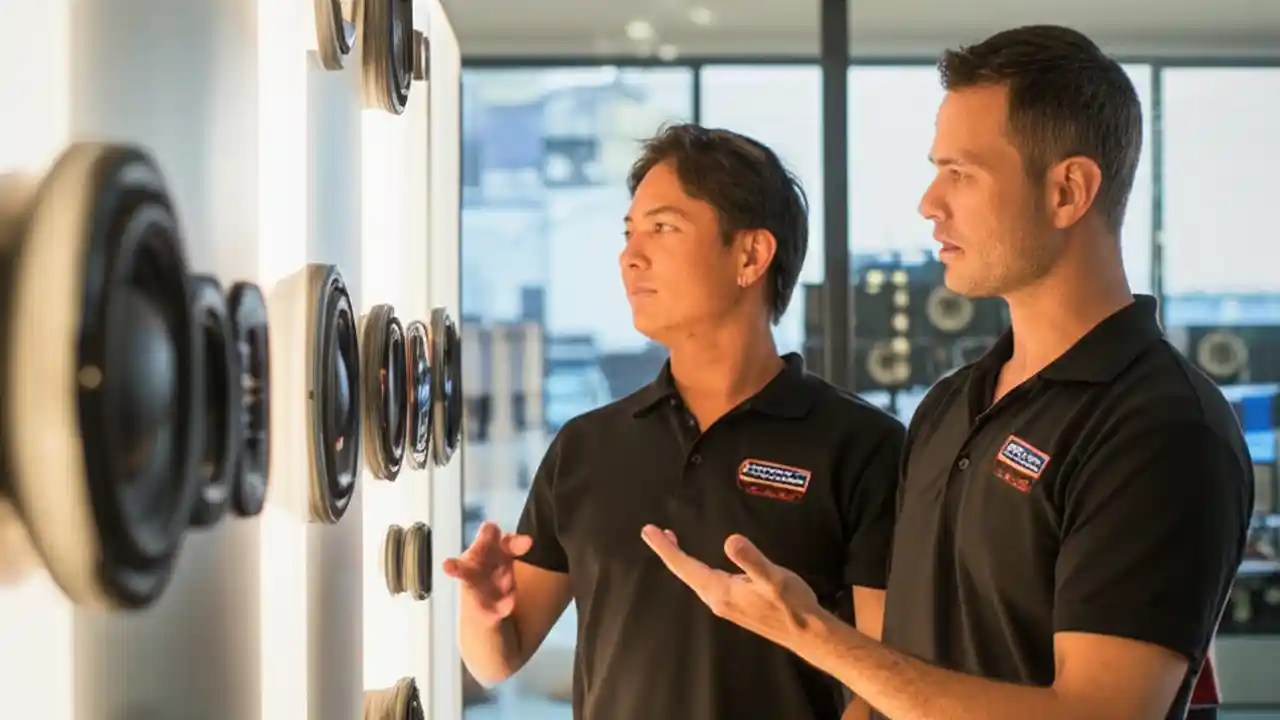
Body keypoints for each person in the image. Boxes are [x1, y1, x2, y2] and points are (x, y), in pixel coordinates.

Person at [642, 25, 1254, 720]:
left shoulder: (1162, 427)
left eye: (960, 173)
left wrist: (812, 634)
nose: (930, 203)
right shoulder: (949, 406)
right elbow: (904, 674)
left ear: (1068, 191)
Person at [442, 123, 906, 720]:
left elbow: (885, 678)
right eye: (629, 233)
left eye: (663, 228)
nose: (631, 256)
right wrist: (481, 612)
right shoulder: (587, 446)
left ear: (750, 254)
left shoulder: (863, 446)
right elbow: (497, 661)